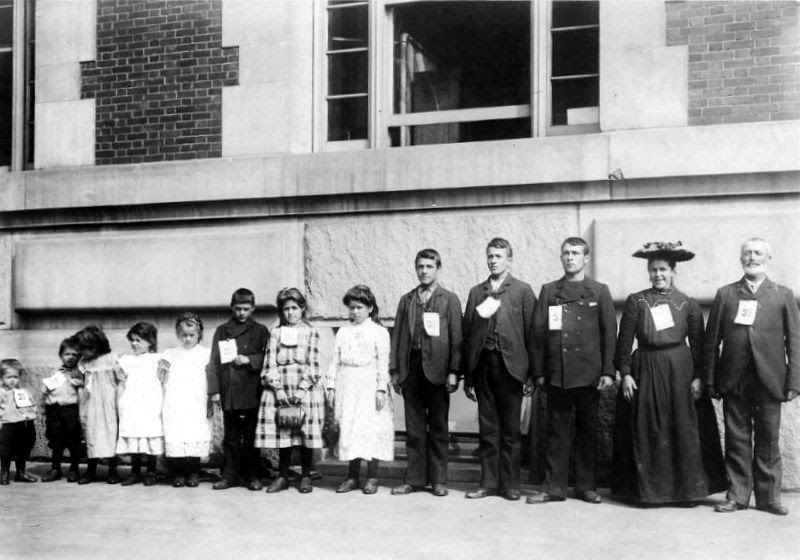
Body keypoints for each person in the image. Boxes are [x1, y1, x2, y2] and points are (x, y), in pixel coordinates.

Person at [610, 241, 725, 506]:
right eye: (653, 270)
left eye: (663, 269)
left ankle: (686, 492)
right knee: (647, 428)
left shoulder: (688, 304)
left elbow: (700, 346)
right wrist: (625, 373)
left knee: (682, 429)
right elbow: (624, 342)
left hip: (680, 373)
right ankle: (649, 492)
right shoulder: (636, 301)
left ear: (673, 271)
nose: (657, 275)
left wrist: (699, 378)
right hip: (646, 371)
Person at [705, 237, 800, 516]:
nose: (752, 257)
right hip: (734, 379)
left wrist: (794, 381)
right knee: (736, 439)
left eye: (758, 253)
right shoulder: (726, 294)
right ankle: (737, 496)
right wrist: (711, 379)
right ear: (740, 258)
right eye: (747, 253)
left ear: (768, 259)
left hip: (770, 380)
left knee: (769, 440)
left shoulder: (782, 294)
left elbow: (794, 342)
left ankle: (769, 498)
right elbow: (712, 341)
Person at [527, 237, 617, 505]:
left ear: (586, 258)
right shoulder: (549, 291)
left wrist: (608, 371)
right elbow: (538, 334)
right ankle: (554, 487)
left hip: (589, 374)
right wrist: (540, 372)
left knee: (588, 431)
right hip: (558, 373)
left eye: (576, 253)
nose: (570, 257)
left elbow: (609, 333)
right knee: (557, 432)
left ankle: (585, 487)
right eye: (566, 253)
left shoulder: (599, 291)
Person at [462, 238, 536, 500]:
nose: (494, 260)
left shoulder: (523, 291)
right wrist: (468, 375)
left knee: (510, 430)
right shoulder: (476, 292)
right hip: (483, 367)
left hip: (512, 369)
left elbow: (532, 335)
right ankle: (488, 483)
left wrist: (531, 374)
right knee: (488, 428)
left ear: (509, 260)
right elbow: (468, 334)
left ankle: (511, 484)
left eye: (499, 256)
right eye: (490, 256)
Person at [390, 249, 462, 497]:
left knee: (439, 429)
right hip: (411, 371)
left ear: (438, 269)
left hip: (438, 372)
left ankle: (439, 480)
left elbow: (457, 338)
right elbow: (397, 337)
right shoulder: (407, 299)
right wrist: (396, 372)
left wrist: (454, 371)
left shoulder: (449, 299)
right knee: (414, 429)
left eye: (429, 266)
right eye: (420, 266)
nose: (424, 271)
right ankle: (414, 479)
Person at [326, 285, 394, 495]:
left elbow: (383, 363)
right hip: (347, 384)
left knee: (370, 428)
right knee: (350, 428)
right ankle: (352, 476)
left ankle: (372, 477)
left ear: (370, 308)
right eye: (351, 308)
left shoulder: (379, 332)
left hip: (368, 384)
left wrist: (381, 388)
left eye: (359, 307)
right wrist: (331, 385)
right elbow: (335, 360)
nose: (354, 312)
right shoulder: (343, 332)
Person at [255, 288, 324, 494]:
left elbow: (314, 364)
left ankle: (305, 476)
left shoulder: (312, 332)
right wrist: (278, 390)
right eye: (286, 309)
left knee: (304, 435)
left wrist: (302, 390)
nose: (291, 313)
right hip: (281, 388)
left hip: (305, 389)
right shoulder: (275, 333)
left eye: (295, 308)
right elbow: (269, 364)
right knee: (283, 432)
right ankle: (283, 476)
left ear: (302, 309)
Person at [207, 288, 270, 491]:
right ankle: (230, 475)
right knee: (231, 437)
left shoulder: (261, 331)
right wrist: (214, 391)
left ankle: (252, 475)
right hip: (230, 392)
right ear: (231, 308)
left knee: (251, 436)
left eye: (246, 309)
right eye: (238, 309)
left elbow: (269, 359)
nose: (242, 313)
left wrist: (249, 359)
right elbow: (214, 362)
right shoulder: (222, 330)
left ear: (253, 308)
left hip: (251, 390)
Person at [162, 312, 212, 488]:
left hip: (197, 400)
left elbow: (212, 376)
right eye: (184, 335)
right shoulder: (170, 354)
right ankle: (179, 472)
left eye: (192, 335)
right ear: (178, 334)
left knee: (195, 433)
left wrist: (211, 398)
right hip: (176, 400)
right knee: (178, 433)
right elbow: (161, 377)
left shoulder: (206, 354)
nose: (188, 339)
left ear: (199, 335)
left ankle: (193, 472)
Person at [72, 325, 124, 484]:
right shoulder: (83, 363)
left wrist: (120, 402)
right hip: (91, 404)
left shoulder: (112, 359)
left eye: (85, 349)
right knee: (91, 435)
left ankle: (113, 469)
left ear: (96, 346)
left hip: (109, 403)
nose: (82, 352)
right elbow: (80, 384)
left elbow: (121, 381)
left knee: (111, 435)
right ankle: (91, 469)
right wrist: (81, 407)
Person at [117, 322, 166, 486]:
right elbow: (122, 382)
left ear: (150, 342)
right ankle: (135, 471)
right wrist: (121, 402)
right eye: (132, 340)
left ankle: (151, 471)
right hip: (132, 403)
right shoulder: (126, 360)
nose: (134, 344)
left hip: (150, 404)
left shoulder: (157, 359)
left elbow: (163, 381)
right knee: (134, 436)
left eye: (138, 340)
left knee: (150, 436)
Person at [41, 339, 84, 482]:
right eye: (67, 354)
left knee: (73, 441)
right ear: (61, 355)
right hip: (54, 410)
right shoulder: (56, 372)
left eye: (74, 354)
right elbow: (46, 390)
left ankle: (74, 468)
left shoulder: (80, 373)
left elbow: (85, 393)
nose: (70, 357)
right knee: (56, 440)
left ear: (79, 357)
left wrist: (81, 383)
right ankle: (55, 468)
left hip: (71, 410)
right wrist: (43, 406)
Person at [0, 359, 38, 484]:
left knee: (23, 448)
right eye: (8, 377)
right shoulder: (1, 393)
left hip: (24, 424)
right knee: (5, 450)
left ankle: (20, 472)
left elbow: (32, 404)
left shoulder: (23, 392)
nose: (12, 380)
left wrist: (32, 413)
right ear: (1, 377)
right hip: (7, 424)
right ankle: (4, 472)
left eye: (15, 377)